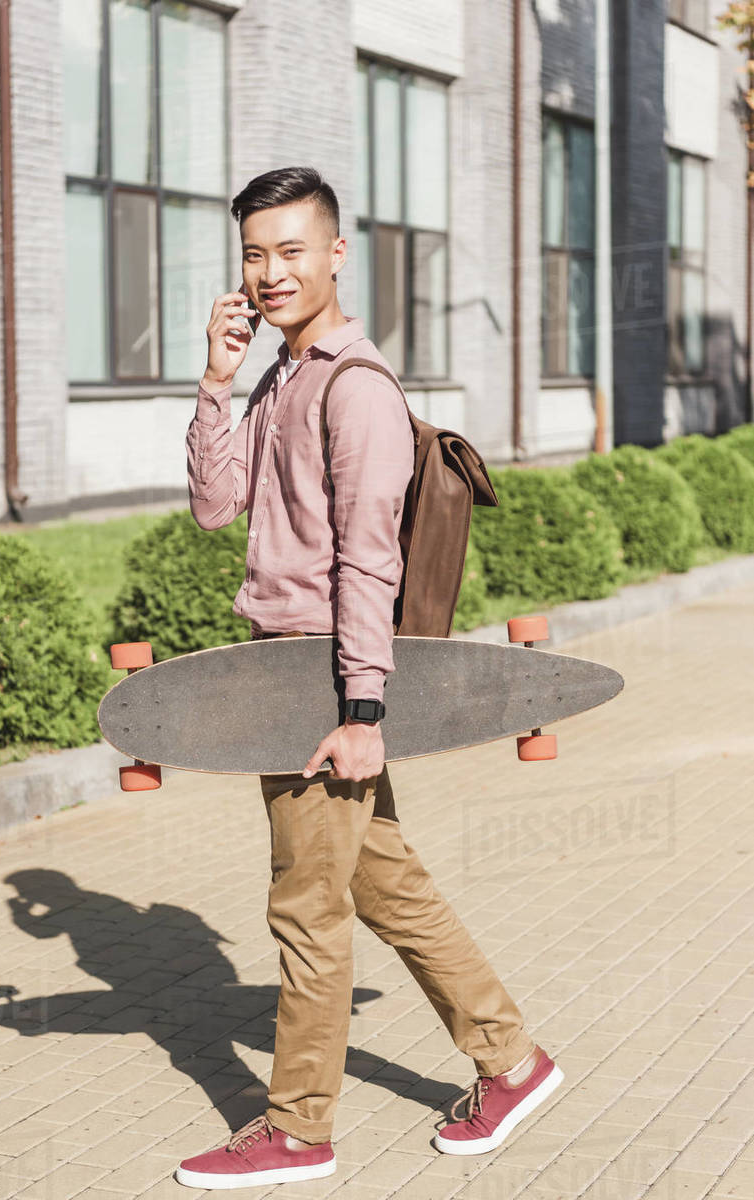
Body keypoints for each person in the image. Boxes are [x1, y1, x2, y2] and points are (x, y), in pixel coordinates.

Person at [175, 166, 562, 1191]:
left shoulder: (358, 391)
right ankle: (512, 1061)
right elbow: (218, 510)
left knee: (307, 908)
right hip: (281, 675)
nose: (270, 272)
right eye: (255, 253)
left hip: (318, 683)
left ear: (337, 254)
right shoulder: (283, 376)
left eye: (292, 249)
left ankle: (298, 1126)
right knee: (388, 885)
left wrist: (360, 711)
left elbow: (368, 562)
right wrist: (216, 384)